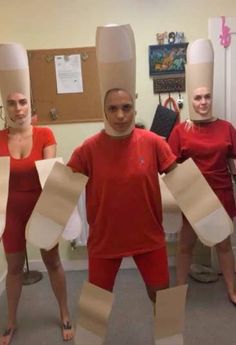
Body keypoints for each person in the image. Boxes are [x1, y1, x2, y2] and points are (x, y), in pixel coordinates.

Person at [67, 87, 176, 301]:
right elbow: (62, 188)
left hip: (148, 237)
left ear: (134, 109)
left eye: (126, 108)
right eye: (113, 108)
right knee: (95, 307)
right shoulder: (88, 149)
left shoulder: (153, 142)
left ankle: (170, 336)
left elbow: (181, 178)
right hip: (105, 240)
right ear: (105, 112)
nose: (120, 115)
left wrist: (208, 214)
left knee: (164, 300)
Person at [0, 44, 73, 345]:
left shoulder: (45, 135)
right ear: (3, 106)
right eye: (11, 103)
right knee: (14, 268)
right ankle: (12, 322)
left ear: (30, 105)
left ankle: (65, 313)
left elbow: (51, 176)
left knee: (53, 261)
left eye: (23, 102)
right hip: (12, 212)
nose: (18, 108)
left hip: (42, 207)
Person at [168, 85, 236, 304]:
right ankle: (179, 290)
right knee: (186, 245)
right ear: (191, 101)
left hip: (221, 192)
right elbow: (169, 164)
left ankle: (232, 290)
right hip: (193, 195)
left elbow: (233, 159)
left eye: (207, 96)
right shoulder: (180, 131)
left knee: (223, 245)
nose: (203, 102)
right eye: (198, 98)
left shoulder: (226, 128)